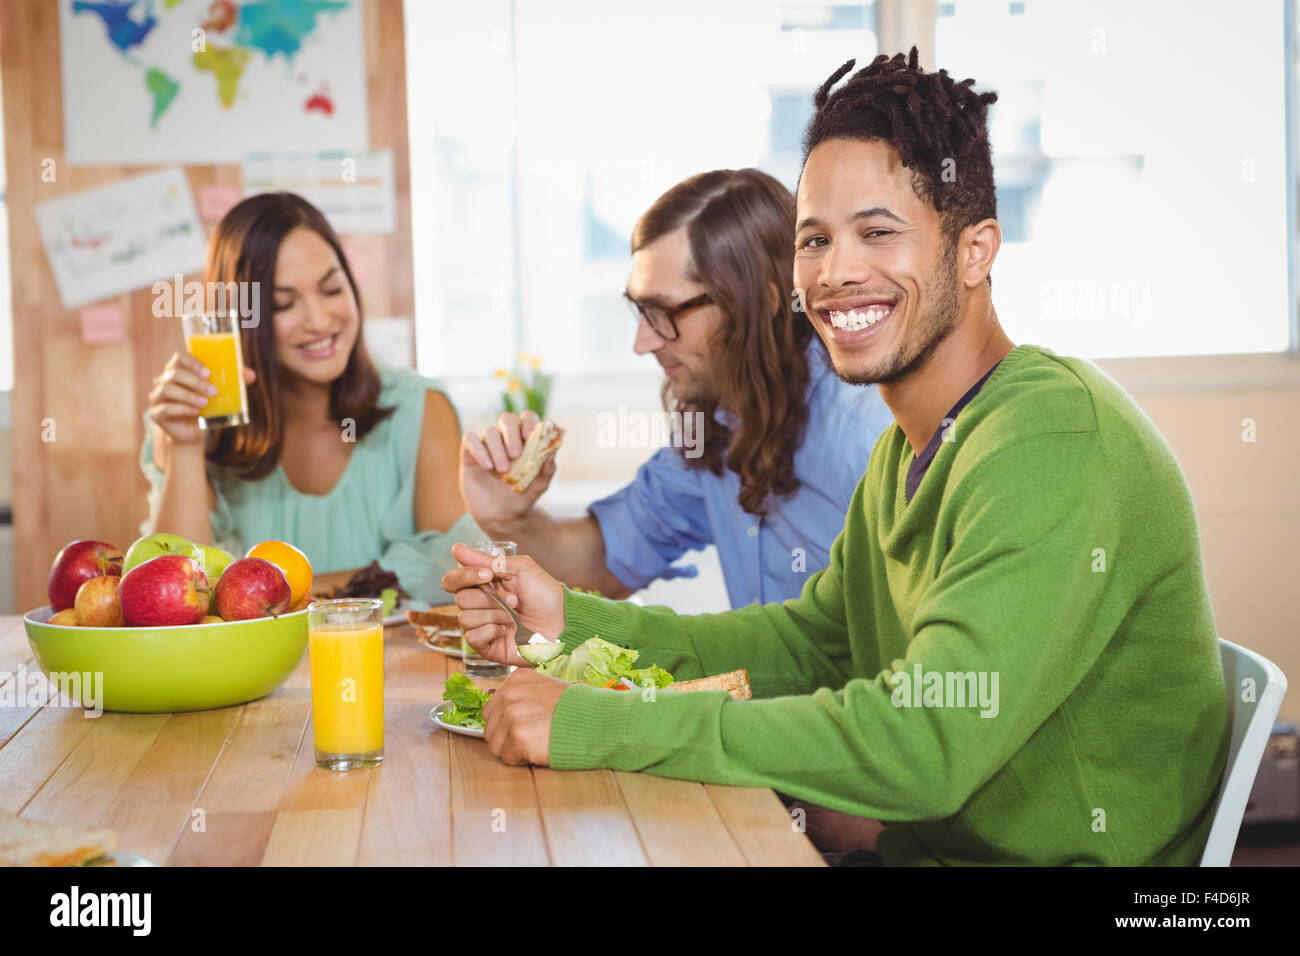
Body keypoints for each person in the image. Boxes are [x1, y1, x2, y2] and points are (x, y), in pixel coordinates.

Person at [442, 50, 1229, 866]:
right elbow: (808, 648)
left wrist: (602, 722)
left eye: (878, 233)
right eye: (814, 240)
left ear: (975, 251)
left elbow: (925, 743)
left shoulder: (1052, 439)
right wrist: (572, 625)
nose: (837, 271)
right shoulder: (908, 450)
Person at [459, 169, 894, 608]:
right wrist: (510, 519)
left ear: (761, 304)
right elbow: (605, 562)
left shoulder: (867, 435)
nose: (642, 342)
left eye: (664, 312)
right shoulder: (720, 419)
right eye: (639, 310)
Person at [141, 192, 481, 603]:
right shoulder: (195, 427)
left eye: (332, 289)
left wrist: (285, 594)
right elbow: (178, 595)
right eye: (283, 304)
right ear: (239, 319)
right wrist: (186, 447)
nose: (320, 321)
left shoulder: (421, 408)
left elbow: (448, 566)